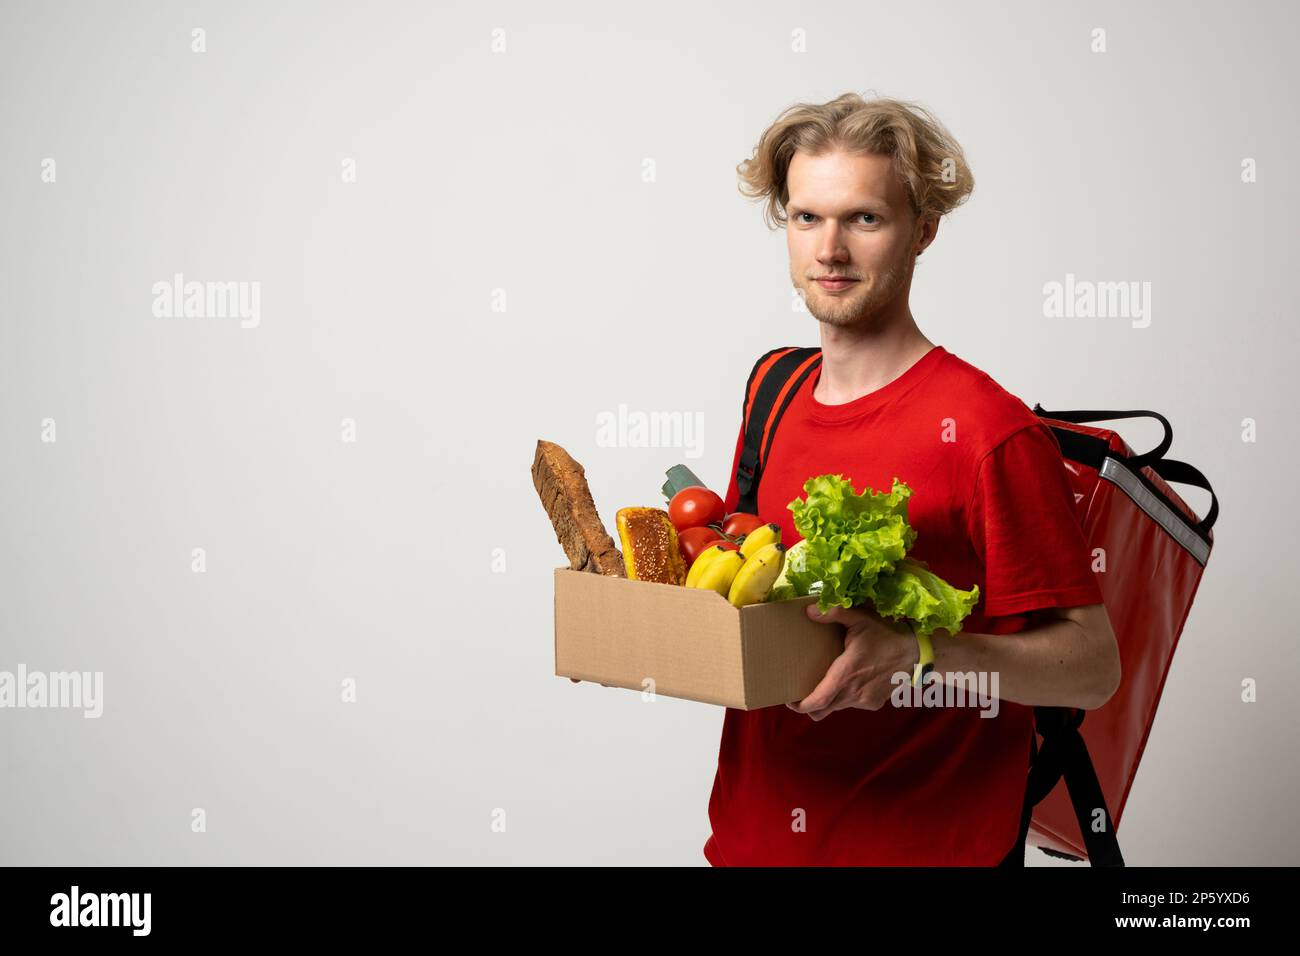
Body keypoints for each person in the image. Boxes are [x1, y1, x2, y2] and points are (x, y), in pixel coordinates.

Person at [702, 93, 1121, 867]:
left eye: (864, 219)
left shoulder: (989, 431)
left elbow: (1093, 668)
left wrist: (923, 653)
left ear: (923, 230)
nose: (829, 250)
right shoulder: (773, 391)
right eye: (805, 218)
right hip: (750, 843)